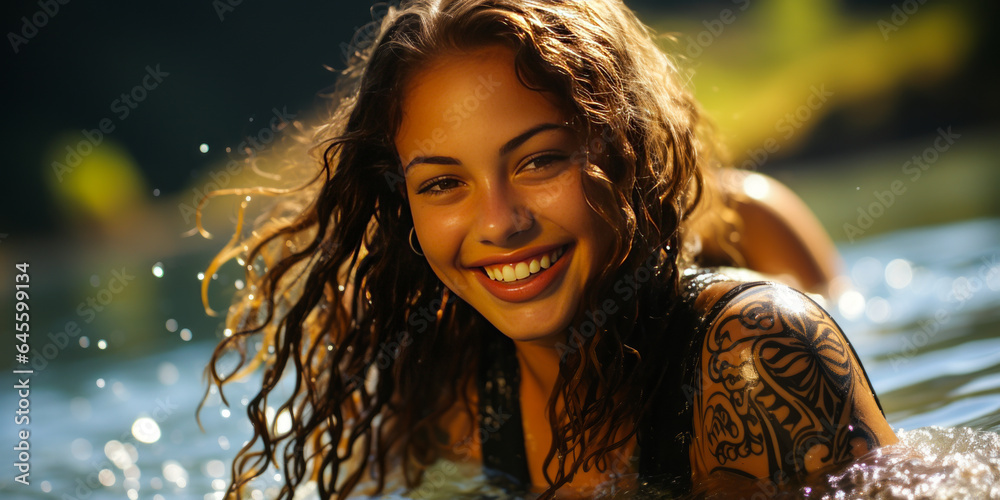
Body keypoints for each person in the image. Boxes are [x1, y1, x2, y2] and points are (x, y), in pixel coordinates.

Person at [199, 0, 896, 498]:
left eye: (538, 162)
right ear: (400, 205)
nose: (498, 223)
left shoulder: (760, 353)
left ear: (623, 149)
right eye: (444, 182)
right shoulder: (444, 397)